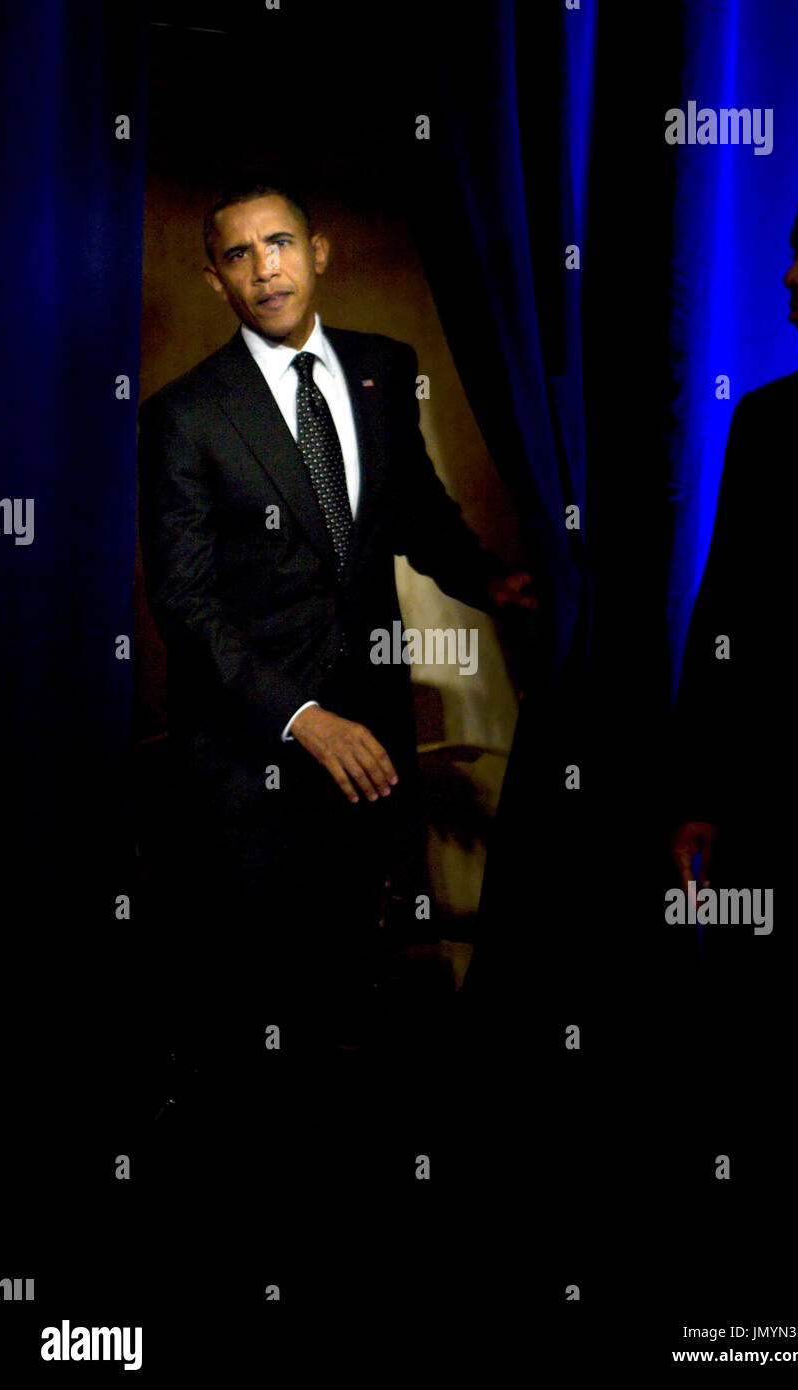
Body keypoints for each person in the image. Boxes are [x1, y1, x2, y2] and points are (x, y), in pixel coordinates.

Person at [137, 180, 536, 1050]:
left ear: (318, 253)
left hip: (375, 739)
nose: (264, 269)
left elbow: (420, 519)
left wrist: (501, 584)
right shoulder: (184, 417)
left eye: (279, 243)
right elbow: (186, 601)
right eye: (238, 254)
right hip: (252, 758)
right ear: (215, 280)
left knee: (359, 977)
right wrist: (302, 718)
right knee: (263, 998)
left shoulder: (384, 369)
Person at [670, 174, 798, 1062]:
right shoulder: (767, 419)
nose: (788, 277)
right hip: (776, 824)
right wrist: (697, 794)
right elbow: (723, 615)